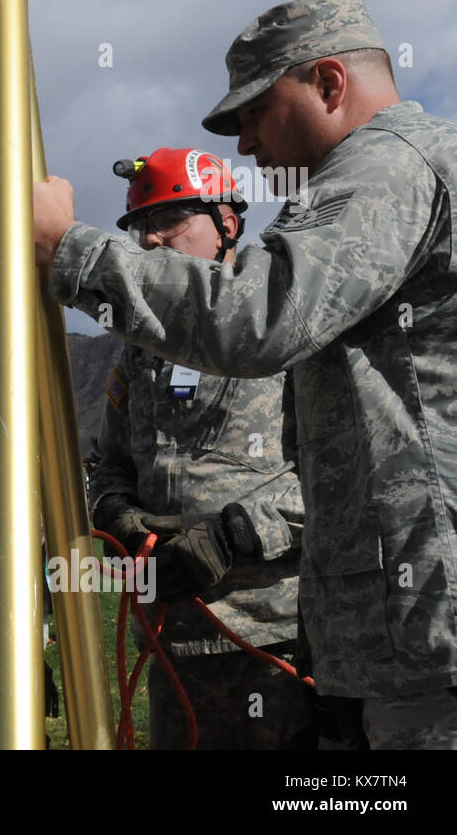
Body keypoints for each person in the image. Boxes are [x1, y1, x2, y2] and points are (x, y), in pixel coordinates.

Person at [34, 0, 457, 749]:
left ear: (330, 84)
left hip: (420, 632)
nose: (246, 148)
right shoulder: (374, 180)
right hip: (380, 642)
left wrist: (72, 250)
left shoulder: (389, 168)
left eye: (256, 114)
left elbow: (262, 314)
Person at [89, 148, 314, 749]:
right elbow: (111, 464)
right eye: (142, 226)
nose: (153, 239)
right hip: (171, 637)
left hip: (275, 636)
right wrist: (117, 515)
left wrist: (235, 534)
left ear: (227, 224)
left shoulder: (285, 326)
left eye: (173, 219)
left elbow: (340, 475)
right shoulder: (136, 350)